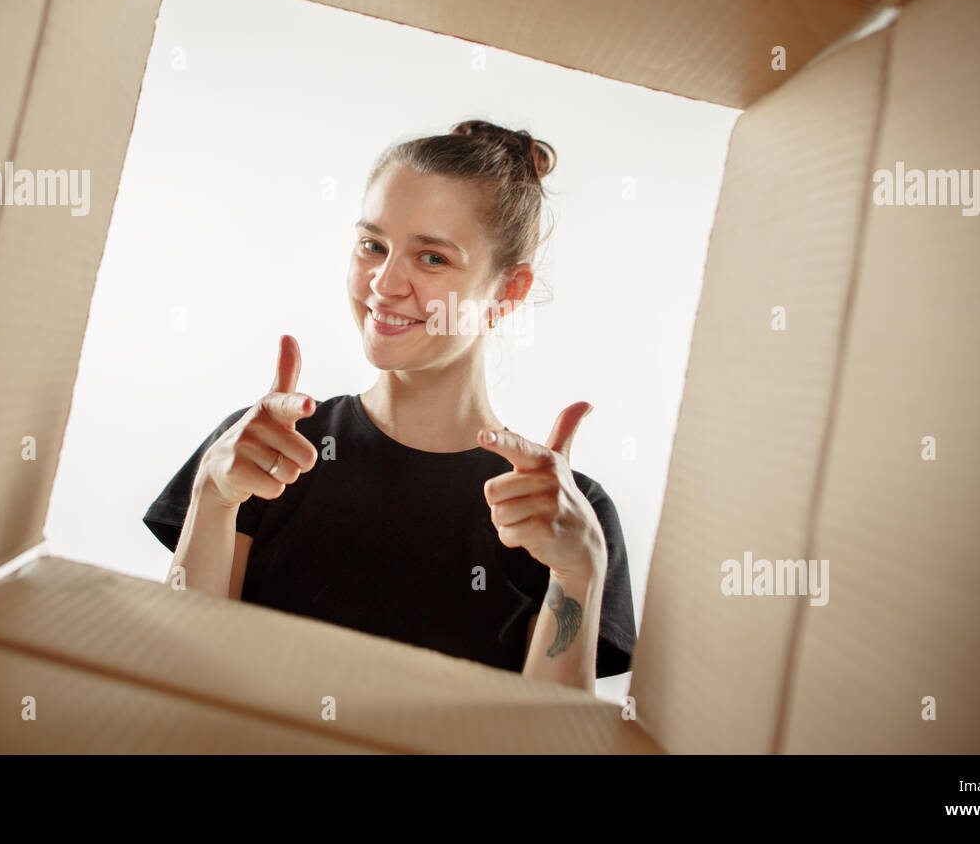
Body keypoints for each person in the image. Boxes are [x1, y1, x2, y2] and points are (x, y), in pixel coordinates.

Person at [143, 120, 636, 694]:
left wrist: (578, 572)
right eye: (373, 245)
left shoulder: (562, 513)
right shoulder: (266, 447)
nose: (384, 282)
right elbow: (178, 681)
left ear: (509, 293)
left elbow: (551, 742)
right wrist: (213, 498)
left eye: (431, 259)